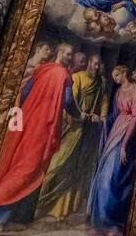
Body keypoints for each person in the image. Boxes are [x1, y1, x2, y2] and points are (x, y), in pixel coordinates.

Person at [0, 43, 80, 227]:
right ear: (59, 53)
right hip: (44, 126)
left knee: (18, 161)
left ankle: (15, 216)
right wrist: (79, 115)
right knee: (29, 167)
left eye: (71, 54)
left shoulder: (42, 70)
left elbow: (26, 93)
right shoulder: (63, 75)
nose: (69, 57)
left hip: (28, 119)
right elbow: (68, 102)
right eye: (67, 53)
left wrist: (27, 112)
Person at [35, 54, 108, 223]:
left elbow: (104, 99)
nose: (96, 67)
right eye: (94, 64)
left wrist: (102, 115)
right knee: (59, 162)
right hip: (74, 126)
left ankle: (64, 209)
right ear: (89, 63)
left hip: (89, 130)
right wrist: (81, 116)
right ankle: (39, 202)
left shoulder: (102, 82)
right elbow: (70, 102)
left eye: (99, 65)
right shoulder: (77, 77)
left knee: (79, 166)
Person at [87, 64, 136, 236]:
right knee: (102, 176)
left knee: (110, 177)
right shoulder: (119, 92)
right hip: (116, 131)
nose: (115, 79)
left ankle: (109, 221)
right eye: (114, 76)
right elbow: (115, 113)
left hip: (127, 132)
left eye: (117, 75)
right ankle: (100, 222)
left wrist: (124, 144)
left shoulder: (135, 90)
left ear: (124, 73)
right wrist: (104, 119)